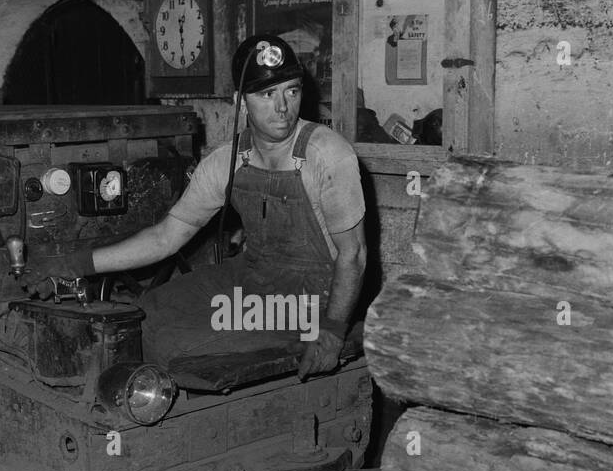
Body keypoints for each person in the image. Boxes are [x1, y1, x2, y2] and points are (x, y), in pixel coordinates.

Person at [35, 34, 367, 379]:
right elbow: (166, 237)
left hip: (310, 299)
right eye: (267, 94)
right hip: (254, 277)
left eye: (292, 91)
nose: (282, 107)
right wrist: (78, 264)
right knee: (147, 313)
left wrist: (332, 330)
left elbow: (353, 254)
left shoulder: (327, 154)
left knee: (181, 346)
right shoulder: (226, 161)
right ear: (240, 102)